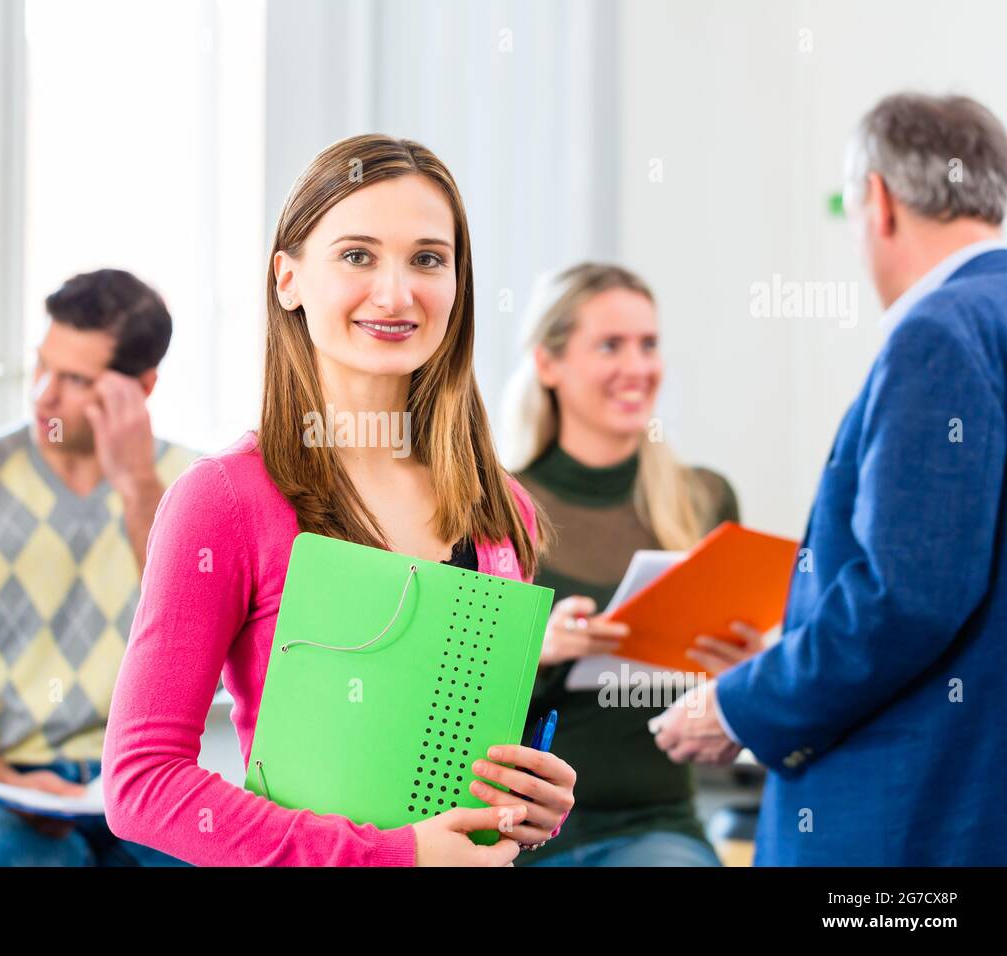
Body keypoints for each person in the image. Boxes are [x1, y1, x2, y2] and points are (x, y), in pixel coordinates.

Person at [101, 134, 576, 867]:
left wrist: (529, 807)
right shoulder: (224, 499)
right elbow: (141, 786)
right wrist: (393, 855)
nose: (396, 293)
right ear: (287, 279)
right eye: (357, 256)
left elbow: (458, 780)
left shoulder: (500, 508)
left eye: (428, 259)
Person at [653, 92, 1007, 866]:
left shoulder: (937, 332)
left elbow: (909, 596)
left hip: (911, 817)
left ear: (877, 200)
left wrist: (741, 702)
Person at [0, 268, 197, 866]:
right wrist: (6, 784)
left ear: (140, 386)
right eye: (42, 366)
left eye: (74, 379)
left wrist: (138, 487)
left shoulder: (194, 489)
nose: (42, 394)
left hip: (150, 781)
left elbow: (201, 651)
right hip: (1, 785)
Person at [501, 262, 757, 867]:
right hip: (518, 833)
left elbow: (735, 688)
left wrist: (745, 673)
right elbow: (450, 699)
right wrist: (539, 650)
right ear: (548, 363)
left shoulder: (705, 502)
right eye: (610, 345)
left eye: (649, 345)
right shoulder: (496, 506)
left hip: (656, 829)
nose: (637, 368)